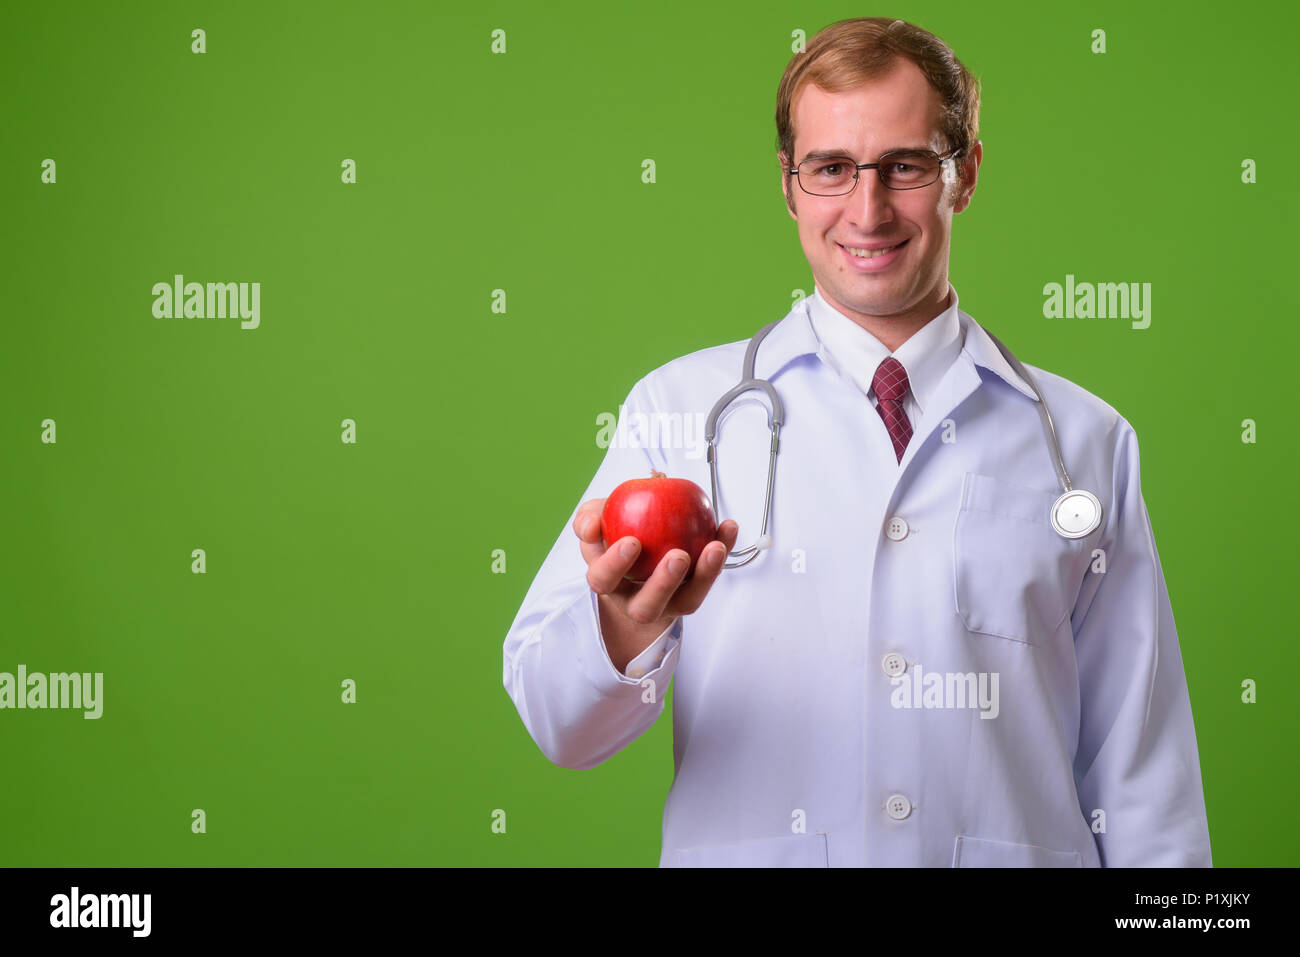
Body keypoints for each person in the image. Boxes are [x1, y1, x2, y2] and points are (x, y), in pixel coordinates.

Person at [502, 16, 1212, 867]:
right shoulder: (684, 410)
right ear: (790, 184)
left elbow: (1145, 777)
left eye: (904, 166)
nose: (866, 210)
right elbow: (557, 721)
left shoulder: (1085, 442)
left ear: (966, 175)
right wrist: (618, 631)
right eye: (831, 169)